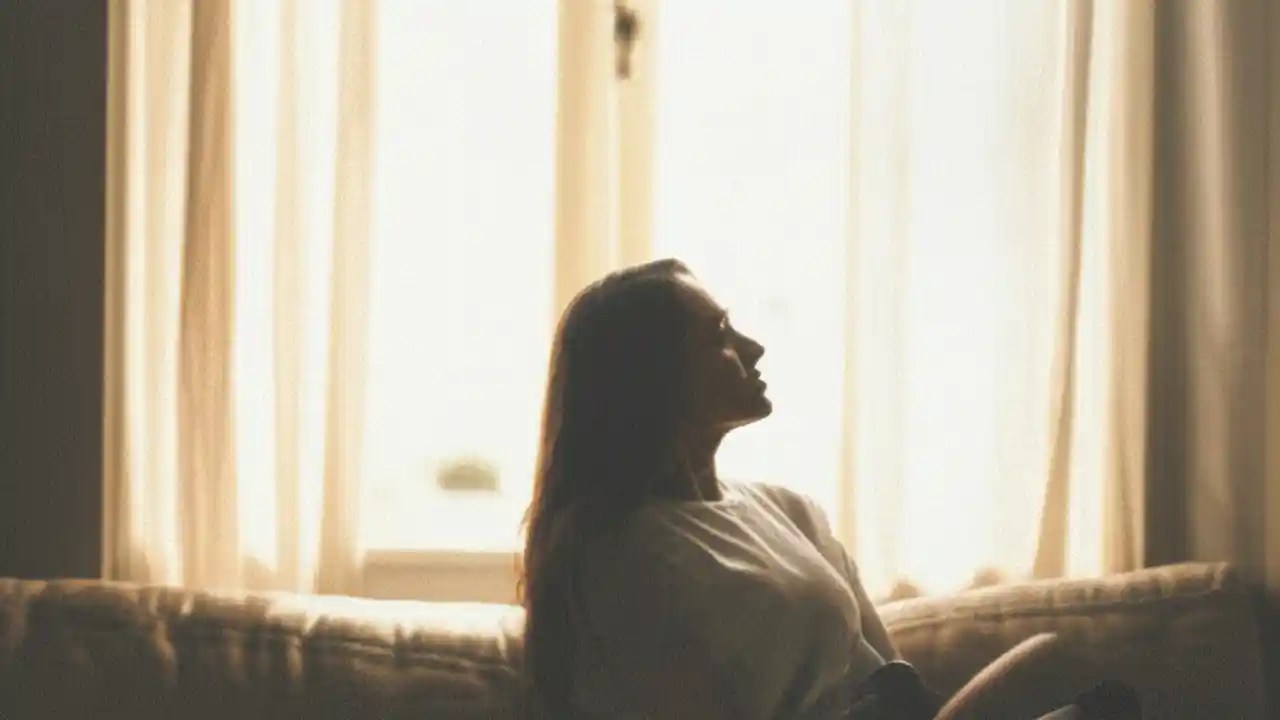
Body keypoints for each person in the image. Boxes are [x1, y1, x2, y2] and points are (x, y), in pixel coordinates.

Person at [518, 259, 1139, 720]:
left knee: (1062, 667)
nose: (753, 348)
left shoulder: (788, 510)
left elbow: (897, 677)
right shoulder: (611, 547)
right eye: (720, 337)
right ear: (655, 379)